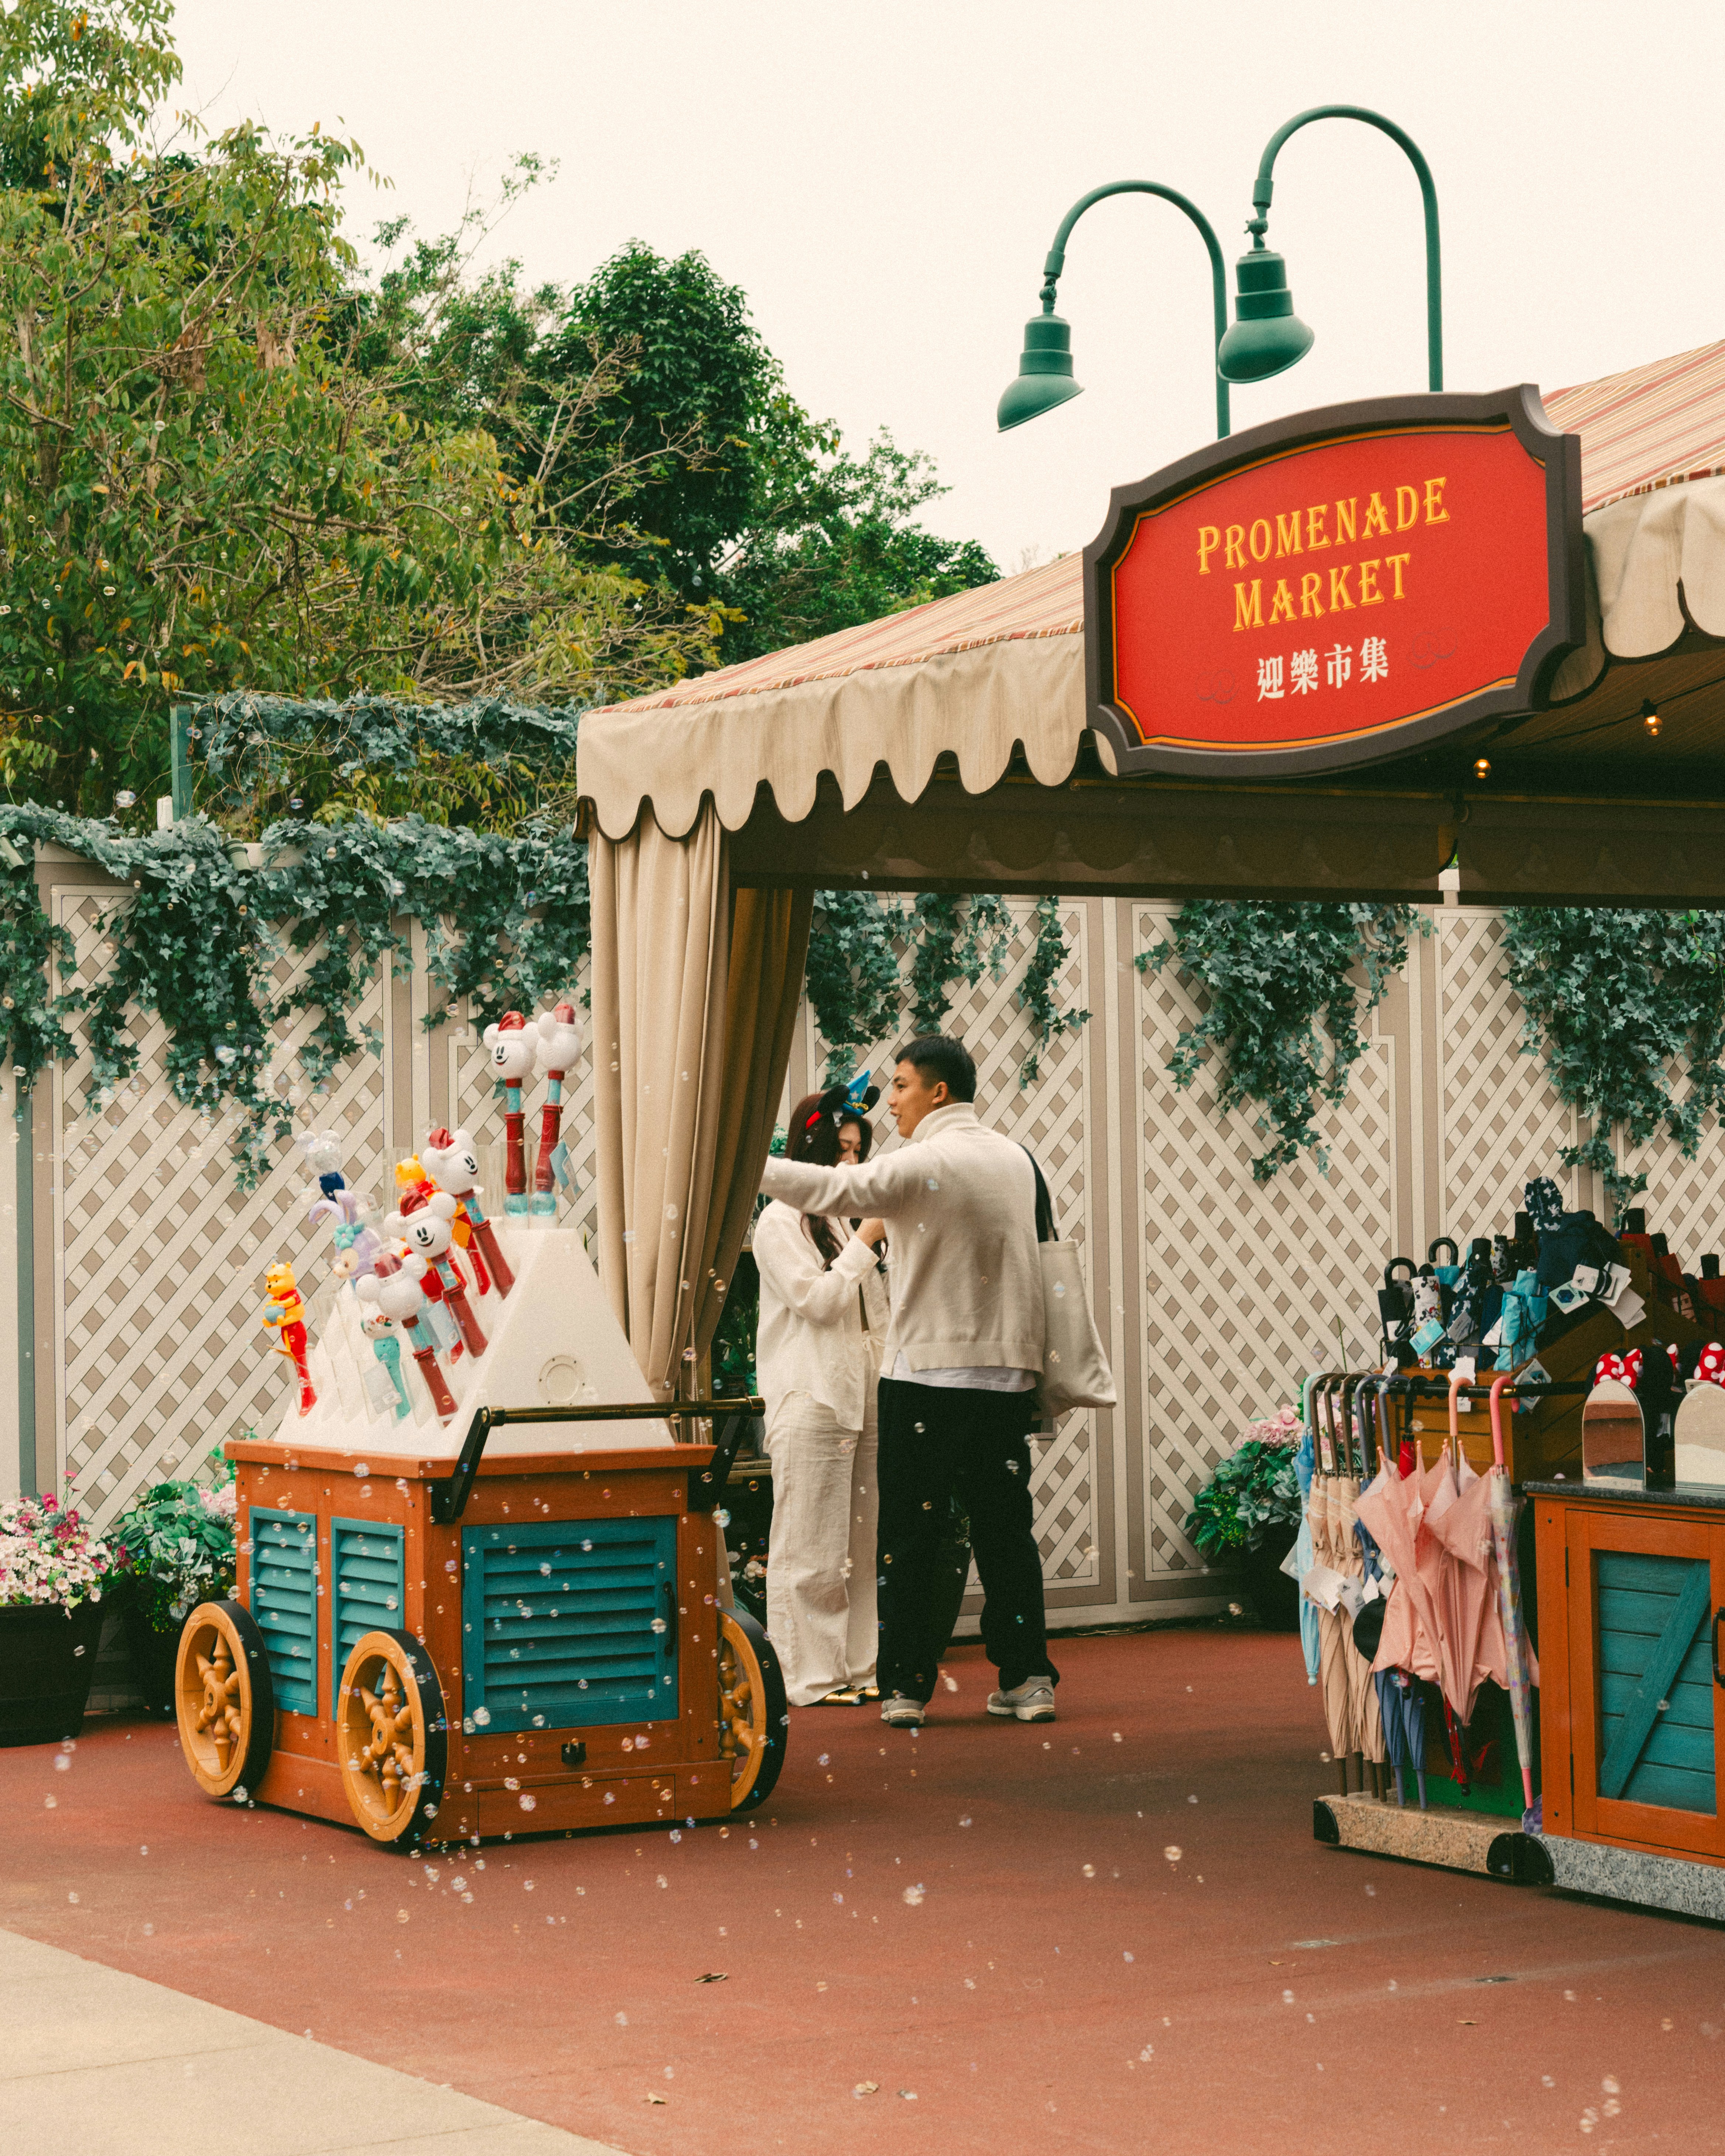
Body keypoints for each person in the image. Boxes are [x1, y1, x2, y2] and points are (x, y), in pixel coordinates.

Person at [758, 1035, 1059, 1729]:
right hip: (1006, 1377)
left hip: (925, 1376)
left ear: (937, 1092)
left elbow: (832, 1191)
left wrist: (746, 1163)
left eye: (900, 1086)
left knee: (909, 1537)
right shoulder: (1020, 1160)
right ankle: (1028, 1678)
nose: (889, 1102)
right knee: (1006, 1535)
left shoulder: (923, 1161)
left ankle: (904, 1688)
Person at [752, 1087, 890, 1707]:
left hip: (865, 1395)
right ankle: (808, 1675)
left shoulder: (844, 1220)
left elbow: (874, 1318)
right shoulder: (779, 1222)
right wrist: (866, 1243)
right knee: (809, 1543)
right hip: (810, 1396)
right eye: (841, 1151)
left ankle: (859, 1665)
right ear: (811, 1151)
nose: (851, 1165)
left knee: (860, 1544)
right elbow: (817, 1302)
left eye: (858, 1152)